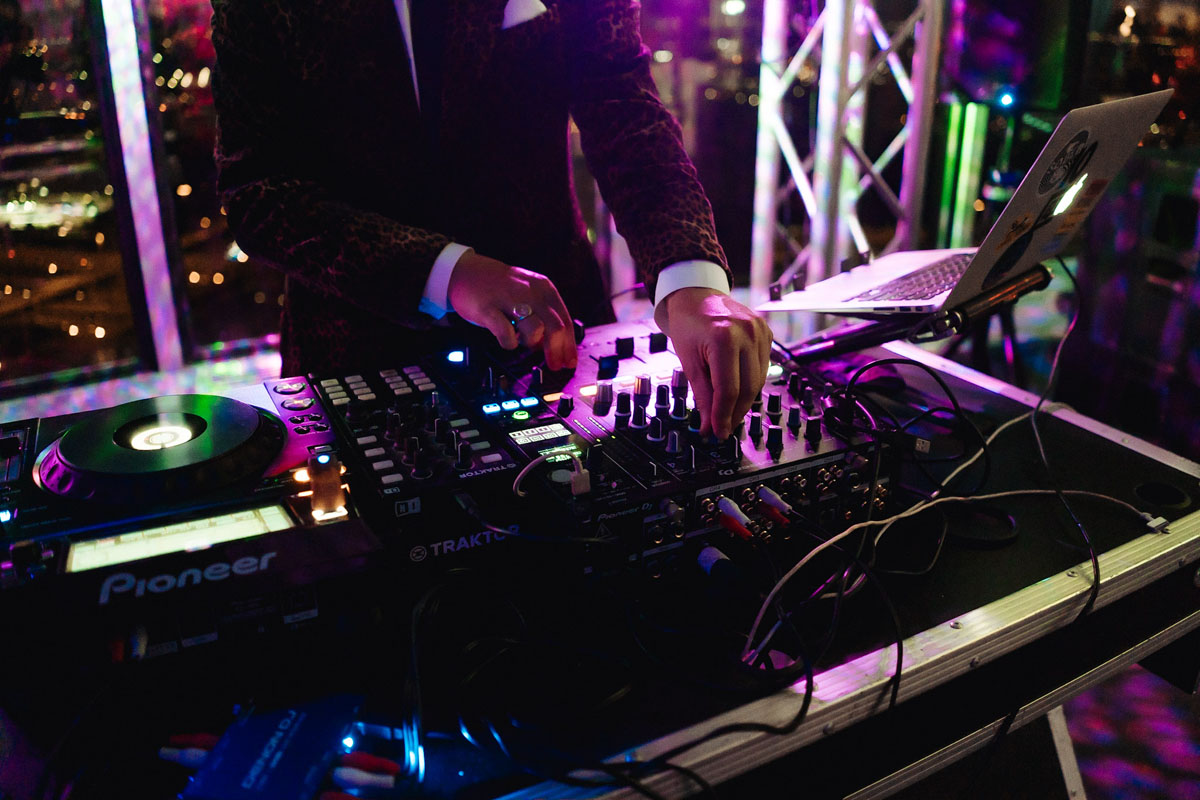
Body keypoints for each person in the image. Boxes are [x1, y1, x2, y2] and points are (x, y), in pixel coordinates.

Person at [209, 0, 771, 439]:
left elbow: (626, 111)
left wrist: (690, 281)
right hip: (354, 355)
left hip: (559, 338)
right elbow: (256, 190)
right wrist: (445, 271)